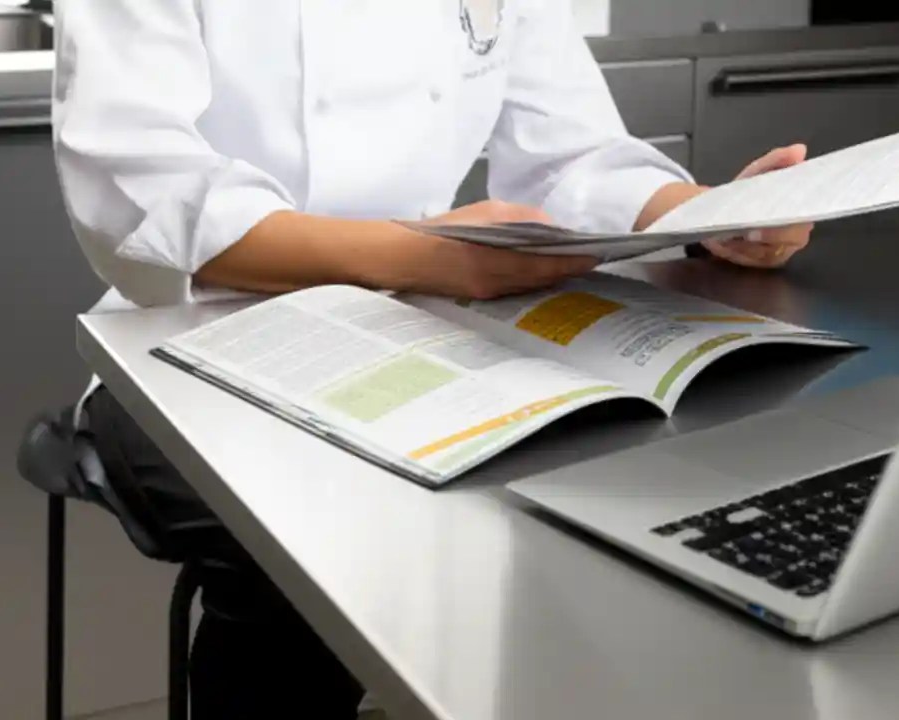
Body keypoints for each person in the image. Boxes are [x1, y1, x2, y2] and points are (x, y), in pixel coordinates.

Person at [53, 1, 813, 717]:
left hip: (424, 327)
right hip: (188, 337)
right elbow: (140, 192)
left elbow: (572, 156)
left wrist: (709, 217)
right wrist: (422, 256)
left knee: (620, 482)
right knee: (306, 551)